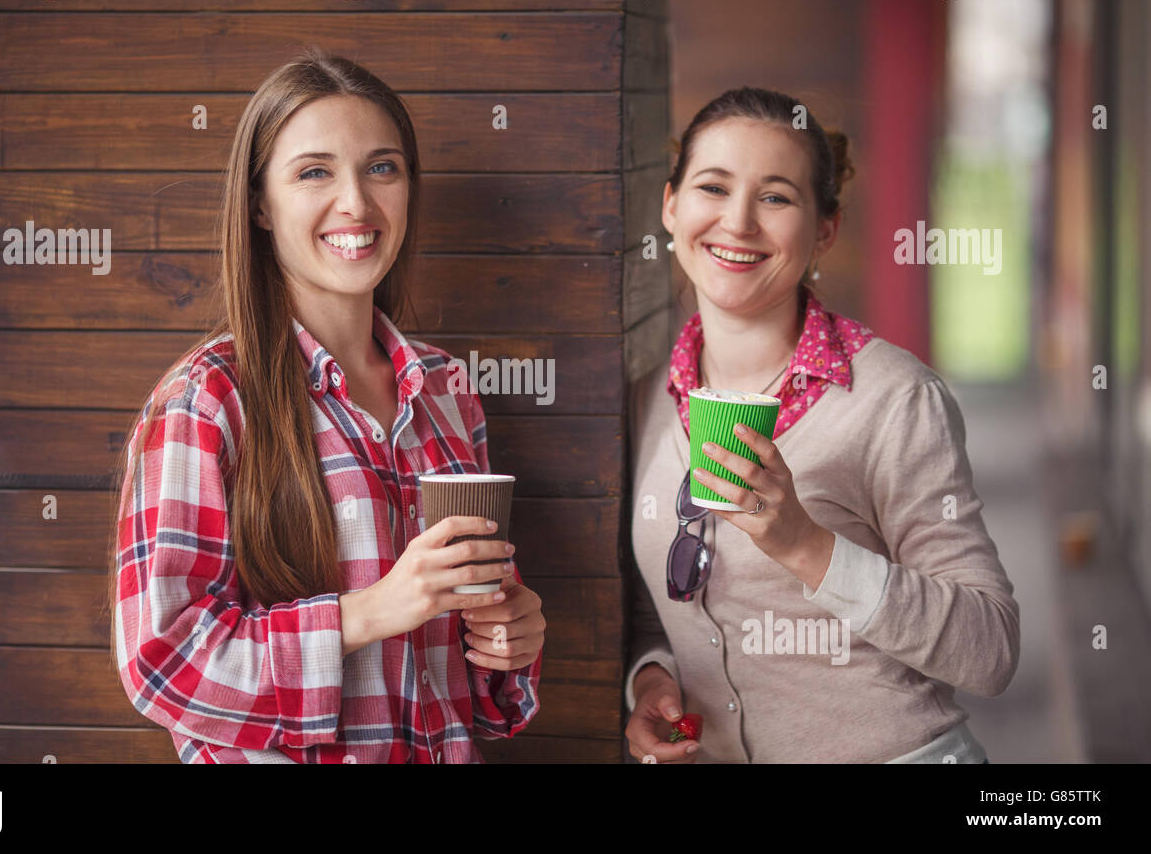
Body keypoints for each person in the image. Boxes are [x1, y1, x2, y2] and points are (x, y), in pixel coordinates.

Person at [109, 50, 544, 764]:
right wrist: (368, 612)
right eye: (315, 171)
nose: (357, 204)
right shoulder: (206, 399)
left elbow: (470, 677)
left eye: (382, 168)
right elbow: (164, 662)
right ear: (259, 204)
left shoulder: (447, 390)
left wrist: (508, 641)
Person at [624, 87, 1018, 763]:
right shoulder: (647, 400)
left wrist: (807, 545)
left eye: (776, 197)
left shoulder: (895, 400)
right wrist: (654, 676)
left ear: (825, 230)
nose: (738, 221)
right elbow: (657, 604)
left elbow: (991, 648)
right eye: (713, 187)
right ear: (671, 206)